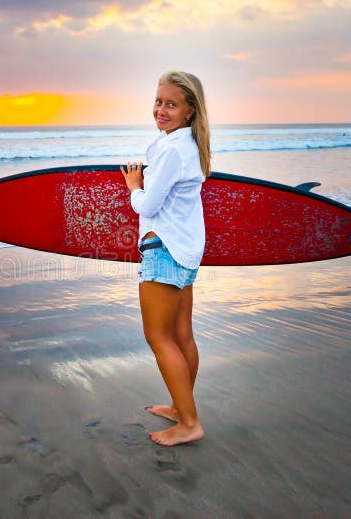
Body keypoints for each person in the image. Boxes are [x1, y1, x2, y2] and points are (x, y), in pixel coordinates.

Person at [120, 71, 210, 446]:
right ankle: (180, 407)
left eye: (171, 104)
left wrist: (134, 188)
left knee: (159, 337)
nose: (161, 109)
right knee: (181, 334)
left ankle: (189, 422)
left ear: (190, 110)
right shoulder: (185, 144)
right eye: (159, 101)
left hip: (164, 250)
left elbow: (150, 204)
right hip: (186, 249)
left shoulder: (173, 149)